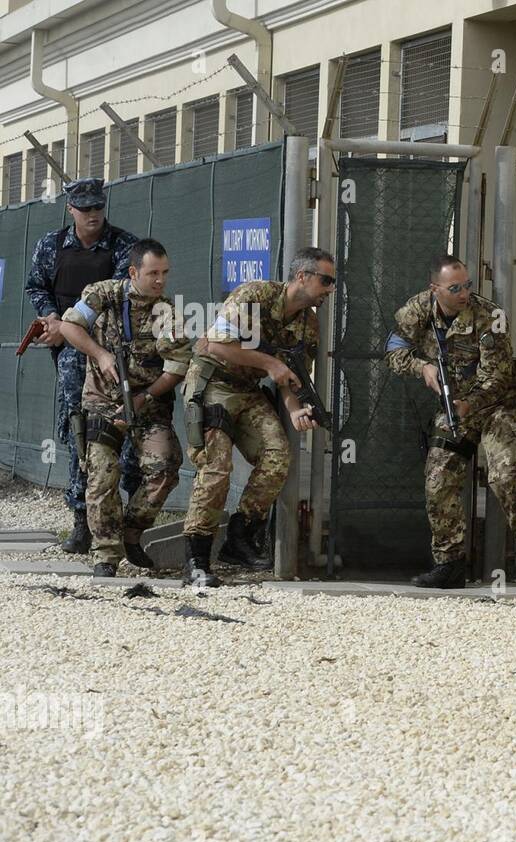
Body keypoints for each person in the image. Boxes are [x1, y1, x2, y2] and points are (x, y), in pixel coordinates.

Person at [386, 254, 516, 588]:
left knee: (506, 475)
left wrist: (468, 406)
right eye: (455, 287)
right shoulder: (416, 311)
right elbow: (393, 352)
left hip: (499, 405)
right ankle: (450, 563)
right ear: (435, 289)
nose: (463, 293)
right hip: (454, 405)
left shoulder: (491, 316)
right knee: (438, 475)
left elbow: (498, 378)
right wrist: (423, 368)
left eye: (468, 286)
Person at [179, 248, 335, 586]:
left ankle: (240, 538)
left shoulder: (308, 323)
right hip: (212, 382)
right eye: (325, 280)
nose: (329, 289)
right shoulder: (255, 295)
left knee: (278, 456)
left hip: (247, 390)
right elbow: (213, 345)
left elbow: (291, 375)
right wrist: (269, 364)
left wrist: (295, 409)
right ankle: (197, 560)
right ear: (302, 277)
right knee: (216, 466)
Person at [52, 239, 189, 576]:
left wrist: (146, 397)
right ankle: (106, 555)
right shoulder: (104, 294)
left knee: (165, 468)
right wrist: (100, 354)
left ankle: (130, 532)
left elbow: (176, 368)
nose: (160, 280)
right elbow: (69, 326)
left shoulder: (167, 312)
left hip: (147, 403)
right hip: (102, 401)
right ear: (133, 272)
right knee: (101, 475)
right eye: (153, 273)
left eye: (165, 273)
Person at [23, 177, 141, 552]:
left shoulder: (125, 246)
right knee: (79, 429)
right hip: (73, 354)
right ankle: (81, 520)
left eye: (98, 208)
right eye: (85, 208)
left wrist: (69, 327)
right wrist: (53, 319)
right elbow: (36, 287)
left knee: (124, 428)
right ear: (70, 209)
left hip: (114, 350)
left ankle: (125, 523)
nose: (92, 215)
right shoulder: (51, 245)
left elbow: (122, 296)